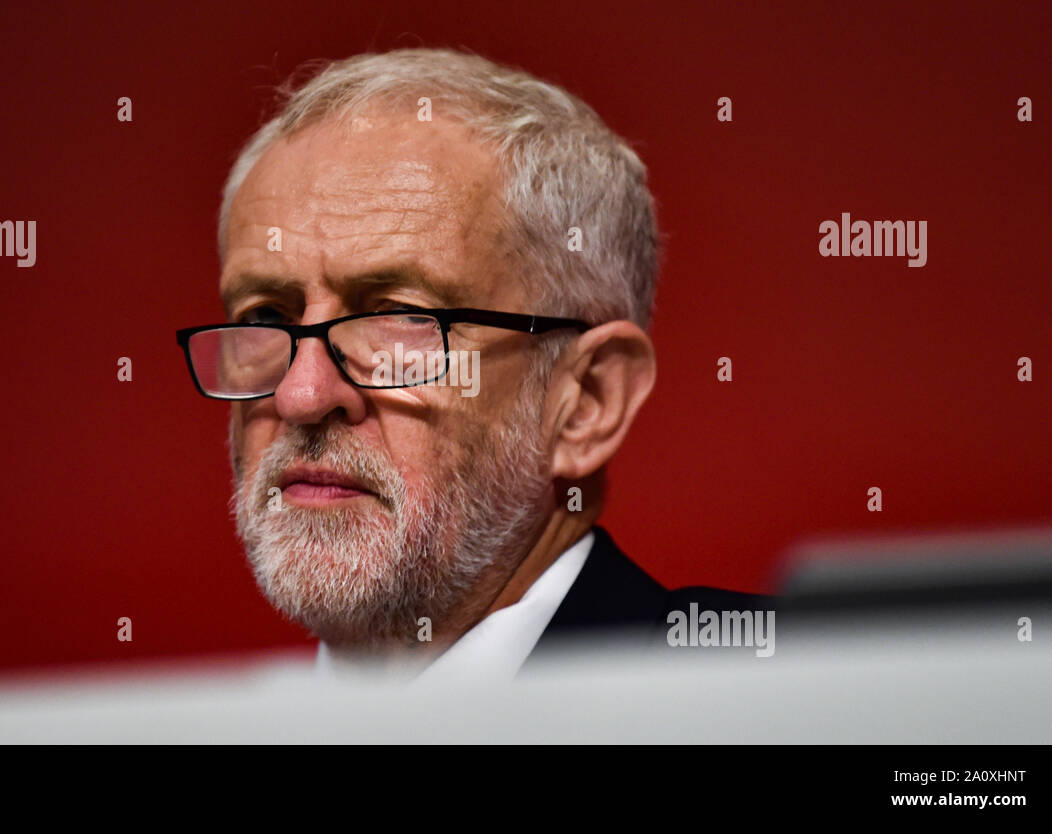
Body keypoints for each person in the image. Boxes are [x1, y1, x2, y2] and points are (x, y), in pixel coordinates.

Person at [175, 47, 771, 681]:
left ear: (586, 402)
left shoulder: (794, 702)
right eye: (266, 318)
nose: (302, 394)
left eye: (401, 314)